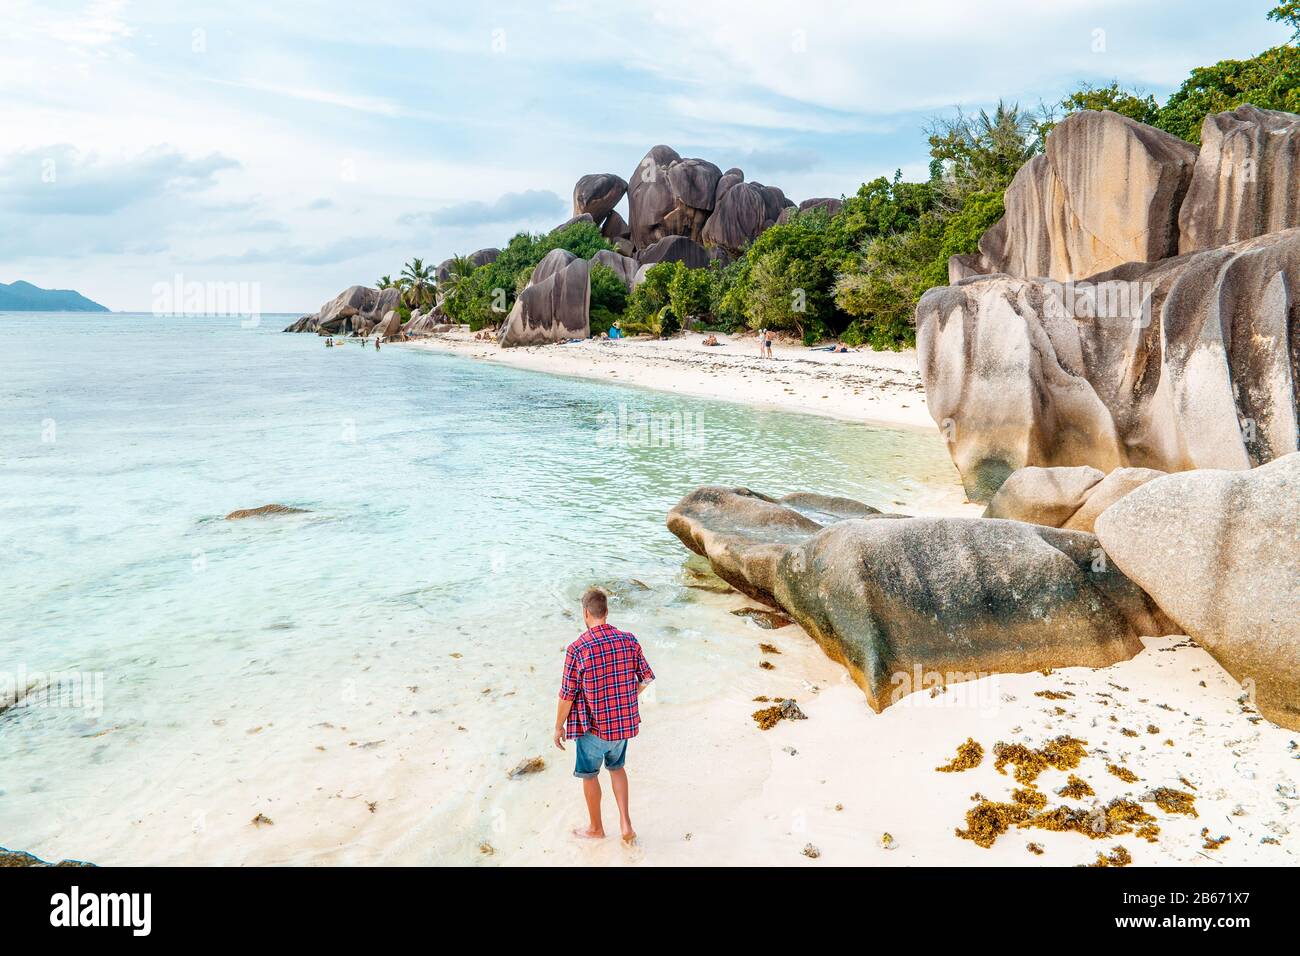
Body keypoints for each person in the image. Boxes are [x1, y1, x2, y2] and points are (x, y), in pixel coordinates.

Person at [553, 586, 655, 843]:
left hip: (593, 728)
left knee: (589, 775)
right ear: (606, 612)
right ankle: (625, 823)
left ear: (586, 613)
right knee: (617, 768)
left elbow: (566, 694)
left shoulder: (578, 648)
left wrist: (558, 727)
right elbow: (646, 677)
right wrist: (629, 695)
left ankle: (596, 828)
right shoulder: (629, 639)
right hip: (622, 726)